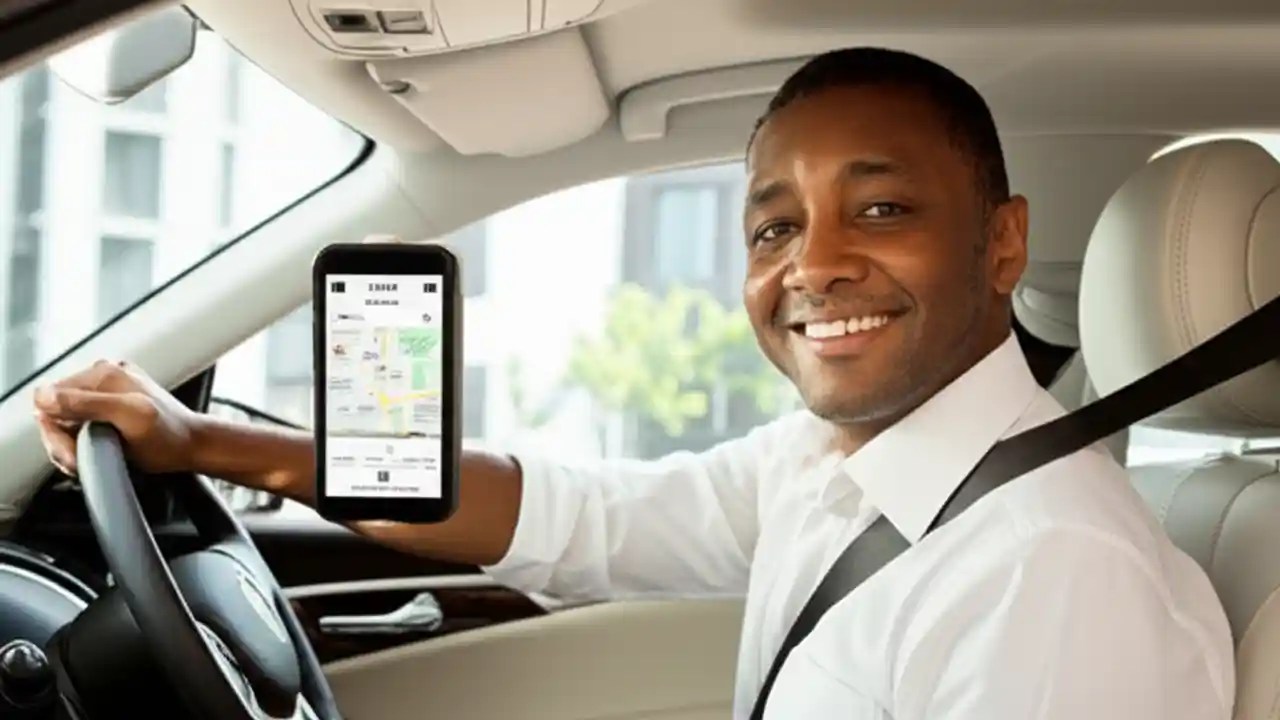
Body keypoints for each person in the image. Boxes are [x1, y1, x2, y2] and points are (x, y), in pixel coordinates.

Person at [32, 48, 1233, 718]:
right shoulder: (836, 469)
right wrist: (215, 446)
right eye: (771, 231)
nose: (811, 265)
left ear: (1003, 243)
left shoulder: (1048, 572)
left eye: (880, 208)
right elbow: (580, 518)